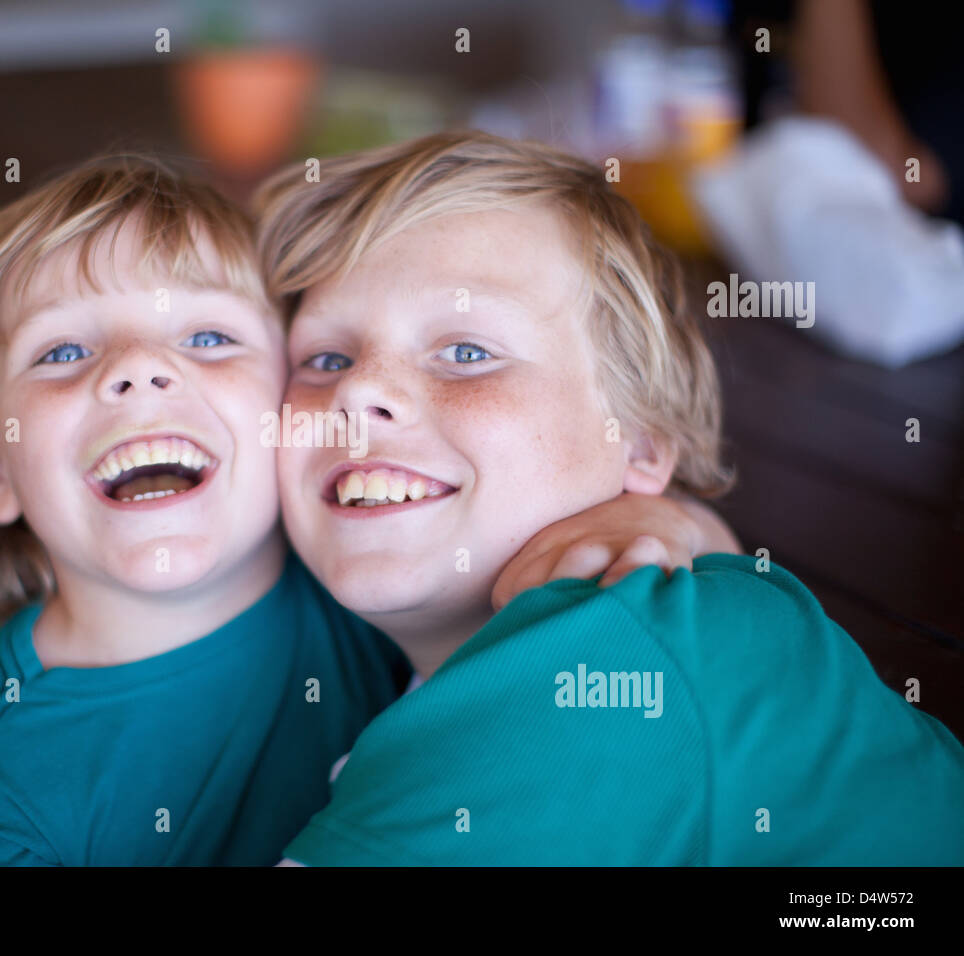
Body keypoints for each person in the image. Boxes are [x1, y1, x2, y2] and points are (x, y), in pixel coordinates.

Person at [0, 151, 736, 865]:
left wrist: (679, 524)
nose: (138, 369)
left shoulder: (367, 593)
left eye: (207, 336)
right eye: (61, 352)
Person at [255, 130, 964, 865]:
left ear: (645, 446)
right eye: (325, 358)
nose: (357, 387)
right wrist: (688, 518)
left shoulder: (593, 672)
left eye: (467, 353)